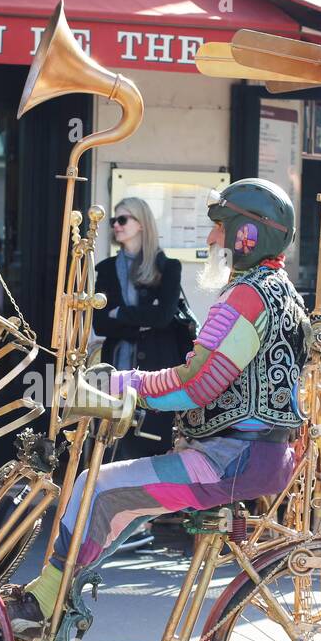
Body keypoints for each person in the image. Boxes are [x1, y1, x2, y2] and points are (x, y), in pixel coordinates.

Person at [3, 179, 309, 639]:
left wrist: (121, 386)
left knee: (97, 487)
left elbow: (198, 383)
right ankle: (59, 595)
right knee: (118, 504)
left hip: (230, 459)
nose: (211, 239)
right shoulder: (282, 292)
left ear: (249, 235)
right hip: (255, 455)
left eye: (220, 229)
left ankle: (41, 605)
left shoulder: (247, 296)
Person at [92, 196, 186, 461]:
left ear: (141, 224)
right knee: (113, 445)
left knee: (151, 446)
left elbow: (163, 318)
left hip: (157, 367)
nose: (116, 225)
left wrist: (121, 313)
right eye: (114, 221)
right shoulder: (107, 269)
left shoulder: (168, 268)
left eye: (123, 219)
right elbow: (100, 324)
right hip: (116, 368)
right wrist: (142, 321)